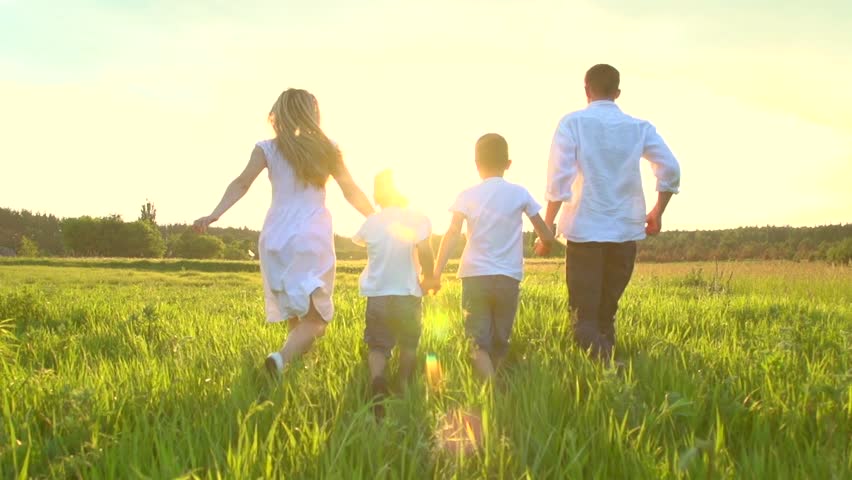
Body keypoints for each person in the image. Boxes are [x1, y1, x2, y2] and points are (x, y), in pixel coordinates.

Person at [193, 88, 374, 376]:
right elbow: (350, 190)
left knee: (296, 312)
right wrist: (377, 218)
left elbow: (241, 183)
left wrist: (215, 213)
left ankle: (292, 370)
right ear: (313, 113)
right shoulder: (329, 148)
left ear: (278, 114)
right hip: (311, 234)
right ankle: (280, 358)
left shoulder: (266, 148)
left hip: (275, 236)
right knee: (317, 320)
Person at [537, 64, 681, 362]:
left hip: (585, 231)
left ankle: (611, 369)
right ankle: (611, 376)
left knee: (584, 318)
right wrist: (658, 211)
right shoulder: (639, 128)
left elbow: (559, 179)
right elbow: (670, 168)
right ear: (617, 92)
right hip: (625, 232)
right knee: (605, 315)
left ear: (586, 90)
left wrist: (547, 226)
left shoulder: (573, 123)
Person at [434, 133, 555, 380]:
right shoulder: (520, 193)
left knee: (477, 341)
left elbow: (453, 233)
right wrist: (543, 243)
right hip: (508, 278)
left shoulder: (466, 195)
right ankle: (499, 385)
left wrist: (436, 273)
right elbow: (546, 235)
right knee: (500, 341)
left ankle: (490, 390)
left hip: (475, 277)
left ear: (476, 164)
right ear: (508, 163)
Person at [352, 170, 438, 417]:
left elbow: (362, 240)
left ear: (376, 195)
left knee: (378, 345)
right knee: (408, 343)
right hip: (407, 293)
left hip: (378, 294)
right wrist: (429, 277)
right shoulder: (418, 219)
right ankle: (402, 385)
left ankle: (378, 381)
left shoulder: (371, 222)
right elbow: (425, 251)